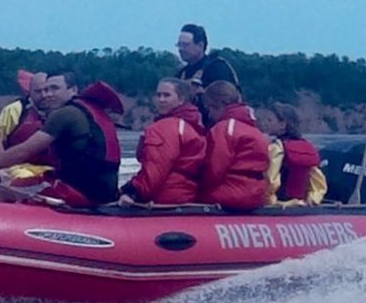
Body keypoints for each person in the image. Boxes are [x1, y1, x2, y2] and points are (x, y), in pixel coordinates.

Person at [0, 71, 124, 208]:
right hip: (105, 192)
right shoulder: (94, 112)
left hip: (76, 192)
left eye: (54, 89)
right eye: (46, 89)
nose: (48, 94)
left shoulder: (64, 114)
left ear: (72, 90)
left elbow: (24, 151)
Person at [120, 78, 208, 205]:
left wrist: (132, 193)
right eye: (158, 95)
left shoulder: (165, 128)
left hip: (165, 197)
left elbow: (156, 169)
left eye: (166, 95)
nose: (161, 100)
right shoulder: (194, 125)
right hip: (187, 195)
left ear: (181, 99)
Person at [198, 80, 270, 211]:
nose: (210, 114)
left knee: (187, 195)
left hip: (232, 193)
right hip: (257, 194)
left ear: (221, 105)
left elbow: (215, 169)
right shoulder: (255, 129)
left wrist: (200, 185)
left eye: (211, 108)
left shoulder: (224, 129)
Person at [264, 103, 327, 206]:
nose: (266, 123)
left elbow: (271, 180)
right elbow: (318, 182)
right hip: (300, 204)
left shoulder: (276, 147)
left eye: (270, 120)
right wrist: (312, 199)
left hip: (280, 204)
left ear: (282, 125)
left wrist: (269, 203)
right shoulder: (307, 147)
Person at [176, 24, 239, 91]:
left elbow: (226, 96)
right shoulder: (181, 74)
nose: (180, 49)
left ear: (200, 45)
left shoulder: (218, 68)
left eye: (185, 45)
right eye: (179, 45)